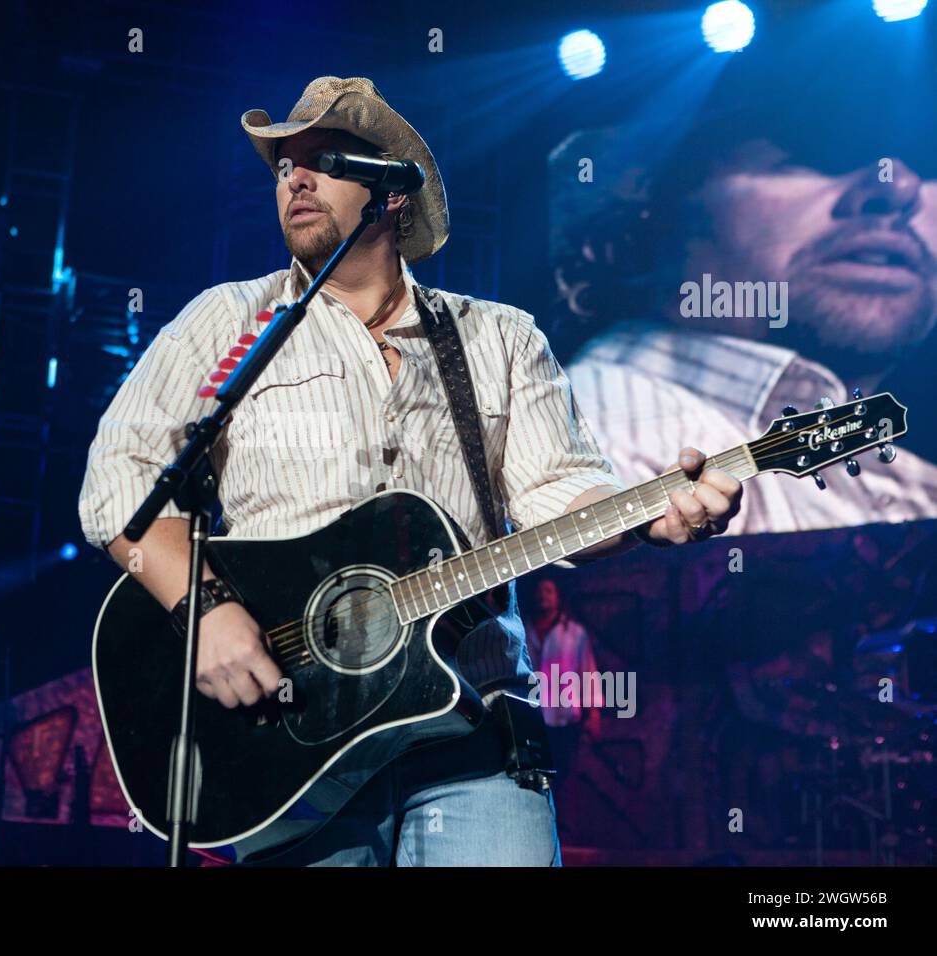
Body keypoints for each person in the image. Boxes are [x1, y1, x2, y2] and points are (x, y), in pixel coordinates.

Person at [77, 76, 742, 866]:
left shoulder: (498, 338)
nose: (294, 178)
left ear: (392, 190)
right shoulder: (227, 322)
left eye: (321, 160)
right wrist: (208, 611)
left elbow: (560, 491)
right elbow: (118, 483)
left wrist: (649, 513)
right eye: (283, 167)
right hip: (293, 741)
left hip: (473, 728)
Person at [550, 104, 937, 534]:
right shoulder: (599, 432)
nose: (899, 186)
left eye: (928, 162)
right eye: (816, 152)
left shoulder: (914, 479)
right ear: (655, 210)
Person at [524, 578, 602, 800]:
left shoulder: (575, 633)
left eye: (548, 591)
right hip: (531, 718)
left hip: (564, 720)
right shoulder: (521, 629)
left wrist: (593, 713)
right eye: (539, 591)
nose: (543, 596)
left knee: (564, 779)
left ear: (558, 596)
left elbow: (587, 671)